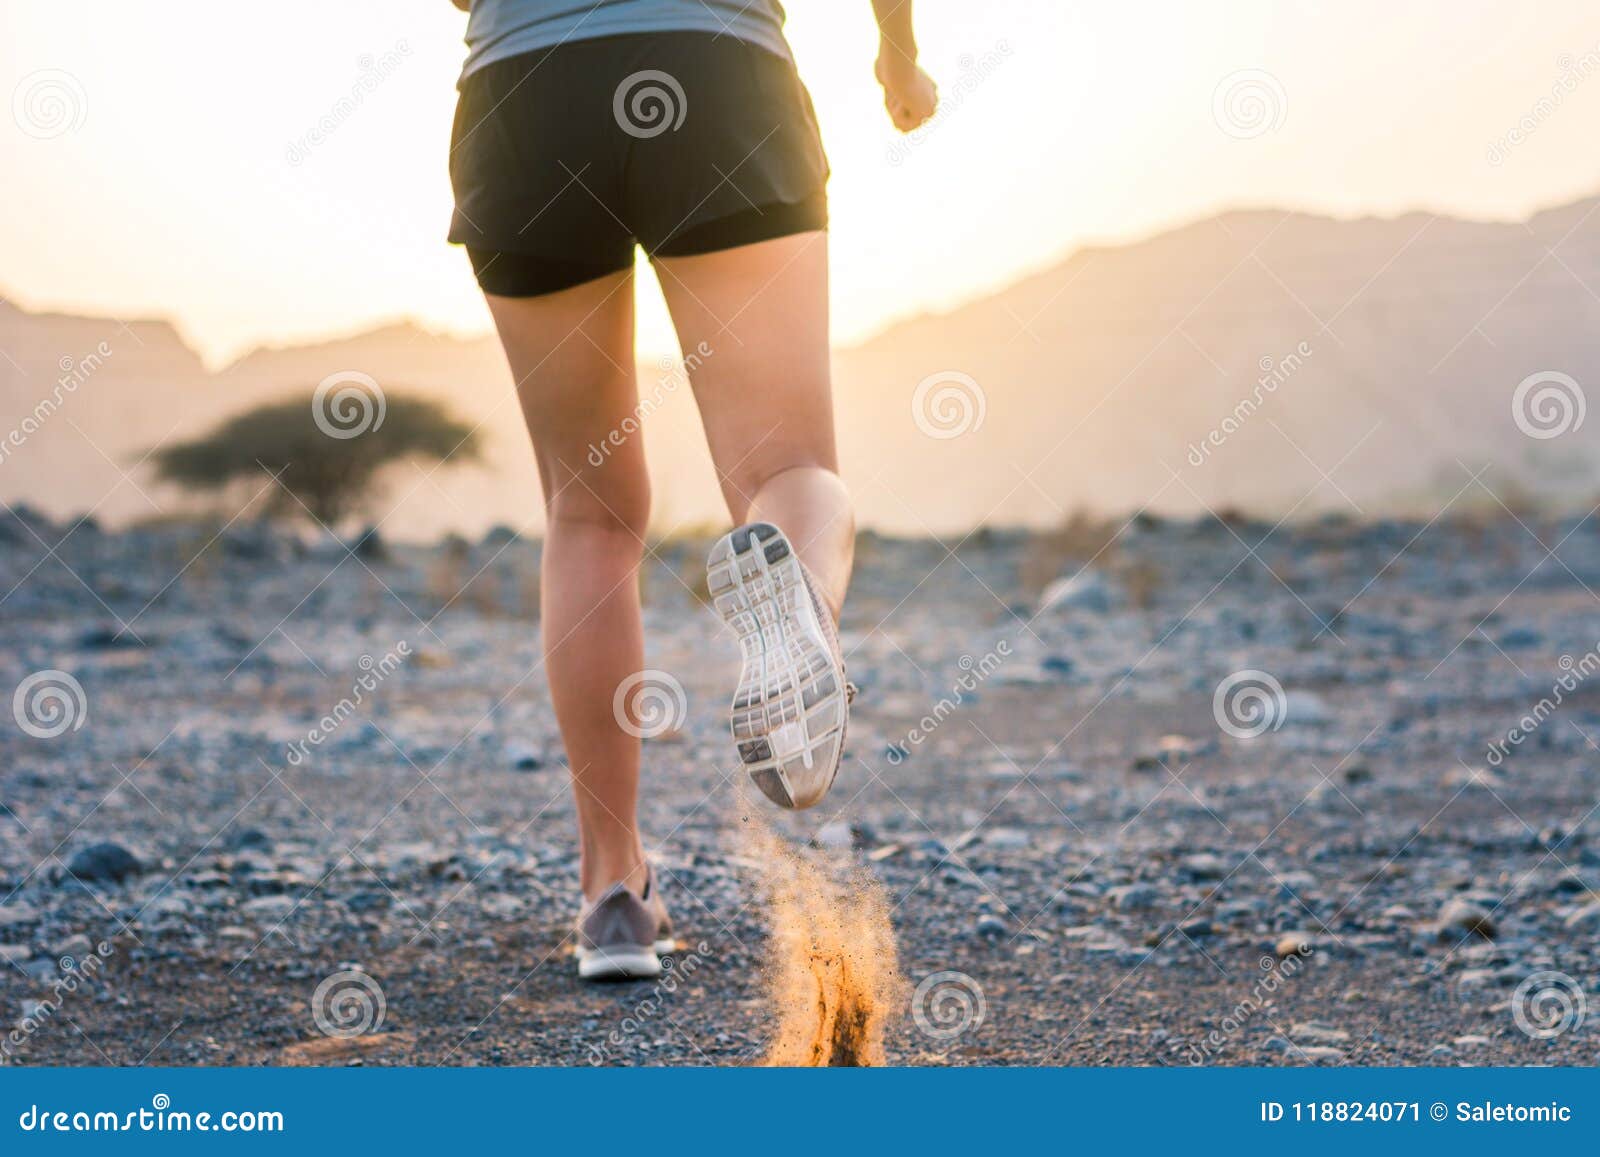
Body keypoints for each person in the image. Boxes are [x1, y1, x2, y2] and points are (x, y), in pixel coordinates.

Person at [446, 0, 937, 979]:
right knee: (786, 471)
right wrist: (898, 59)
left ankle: (613, 896)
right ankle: (794, 602)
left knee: (587, 511)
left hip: (527, 88)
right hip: (714, 69)